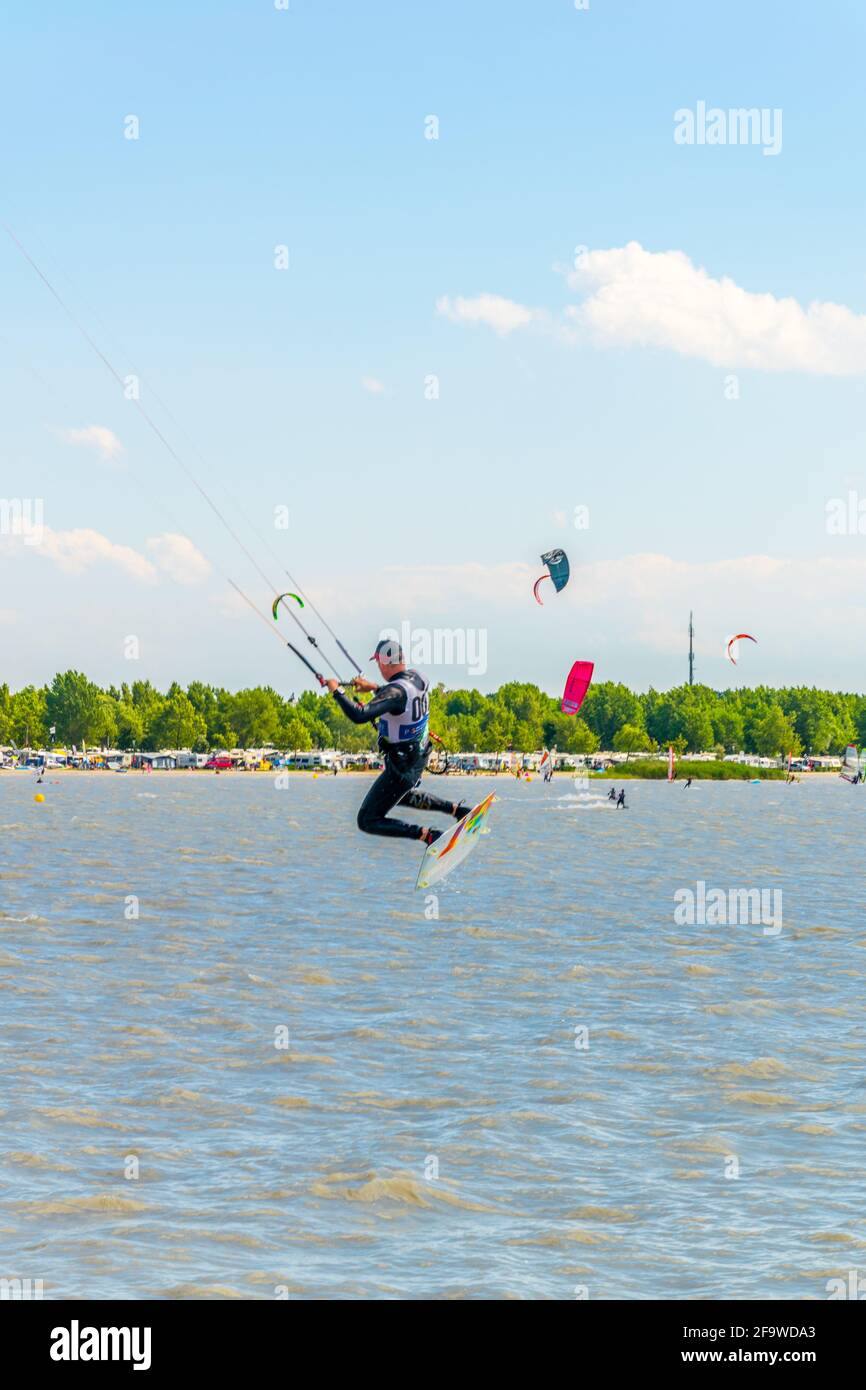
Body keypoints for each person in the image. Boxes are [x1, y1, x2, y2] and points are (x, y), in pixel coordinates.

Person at [326, 640, 469, 846]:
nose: (378, 668)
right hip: (420, 754)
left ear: (384, 663)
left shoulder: (394, 692)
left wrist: (336, 691)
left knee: (367, 820)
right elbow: (400, 697)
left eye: (378, 664)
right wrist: (375, 688)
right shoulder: (419, 677)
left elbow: (359, 715)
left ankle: (429, 836)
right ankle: (458, 810)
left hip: (402, 765)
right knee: (398, 796)